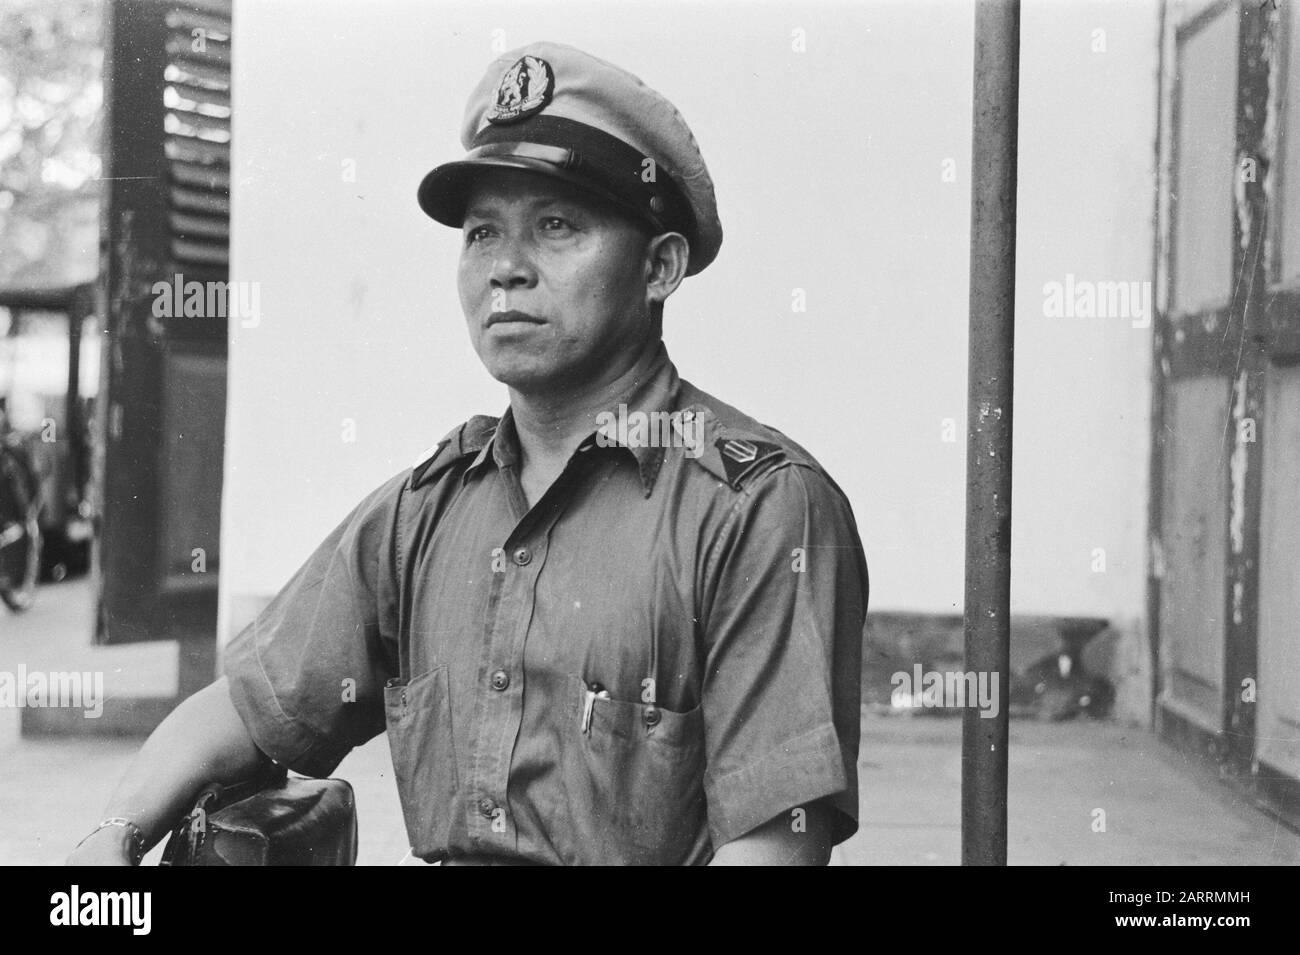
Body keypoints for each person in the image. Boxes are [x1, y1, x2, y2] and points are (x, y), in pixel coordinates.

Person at [69, 41, 869, 866]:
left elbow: (772, 850)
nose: (507, 270)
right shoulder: (430, 510)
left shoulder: (757, 508)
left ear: (659, 267)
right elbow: (250, 702)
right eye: (484, 233)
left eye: (557, 226)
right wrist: (110, 839)